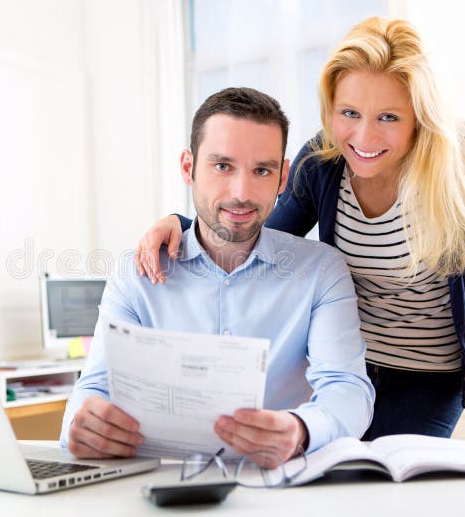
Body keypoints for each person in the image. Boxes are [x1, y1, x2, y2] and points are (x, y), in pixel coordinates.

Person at [135, 17, 465, 453]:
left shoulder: (461, 176)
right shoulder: (323, 163)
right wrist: (184, 224)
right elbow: (263, 237)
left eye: (388, 117)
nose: (364, 136)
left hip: (427, 379)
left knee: (387, 483)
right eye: (349, 113)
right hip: (341, 371)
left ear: (421, 118)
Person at [60, 87, 374, 461]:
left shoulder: (321, 271)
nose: (241, 192)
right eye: (222, 166)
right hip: (157, 488)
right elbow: (94, 388)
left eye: (261, 170)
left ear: (283, 177)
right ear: (188, 167)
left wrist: (302, 431)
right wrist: (82, 427)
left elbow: (348, 389)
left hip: (276, 488)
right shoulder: (138, 272)